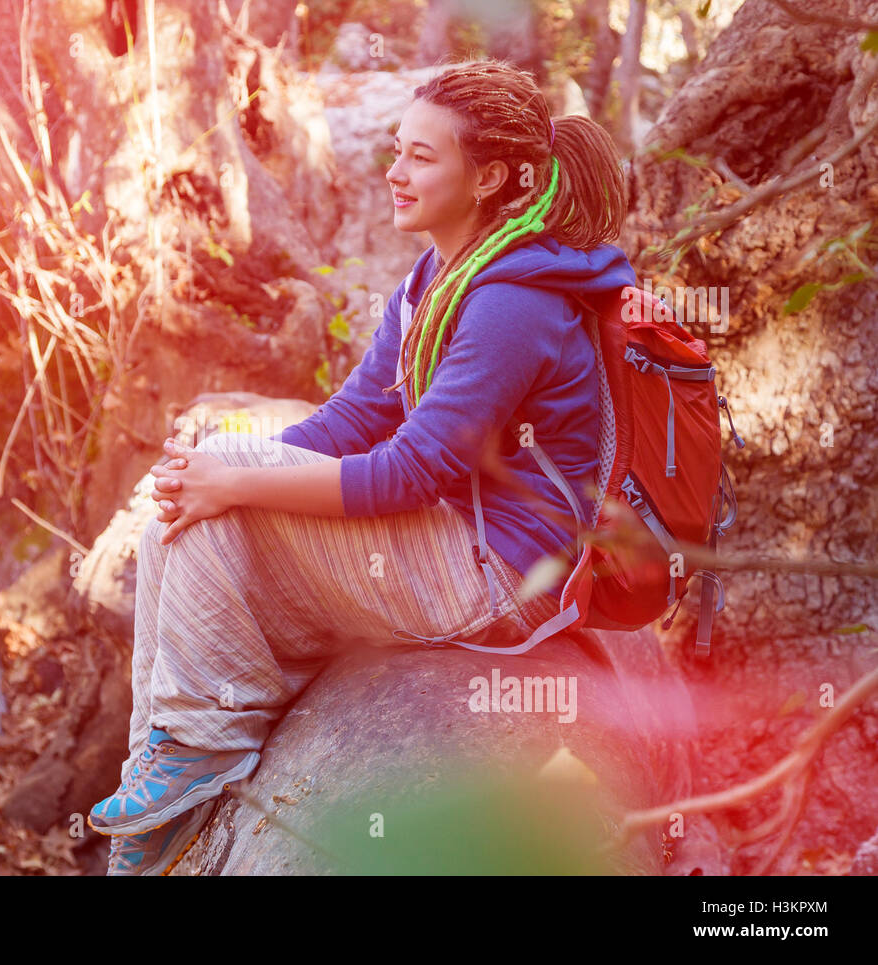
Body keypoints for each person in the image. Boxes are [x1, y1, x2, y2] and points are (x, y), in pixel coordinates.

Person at [89, 58, 637, 875]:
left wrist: (238, 477)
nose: (394, 171)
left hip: (504, 572)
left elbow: (409, 471)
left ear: (488, 177)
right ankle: (162, 769)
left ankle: (207, 746)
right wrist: (218, 465)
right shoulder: (438, 277)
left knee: (217, 493)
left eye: (422, 156)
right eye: (396, 148)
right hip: (458, 535)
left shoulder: (513, 304)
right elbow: (354, 419)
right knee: (192, 495)